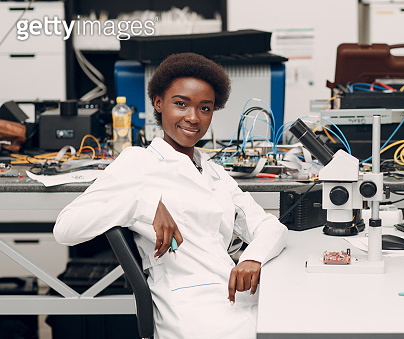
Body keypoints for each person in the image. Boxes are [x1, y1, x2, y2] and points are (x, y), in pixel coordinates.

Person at [53, 52, 288, 339]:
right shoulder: (137, 162)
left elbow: (269, 226)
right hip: (190, 310)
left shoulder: (213, 171)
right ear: (158, 103)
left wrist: (253, 257)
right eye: (181, 104)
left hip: (235, 291)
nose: (193, 118)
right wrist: (144, 205)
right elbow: (65, 228)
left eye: (205, 108)